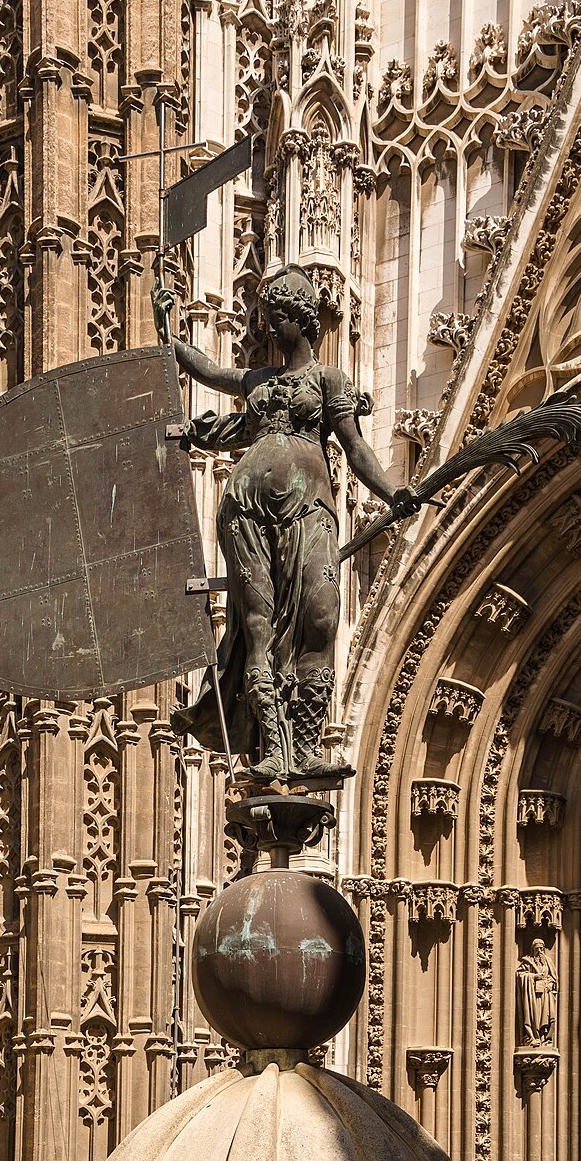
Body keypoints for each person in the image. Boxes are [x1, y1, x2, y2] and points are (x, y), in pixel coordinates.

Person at [152, 265, 420, 781]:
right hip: (247, 508)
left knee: (319, 618)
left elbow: (356, 447)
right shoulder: (256, 381)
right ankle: (275, 750)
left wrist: (392, 492)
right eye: (268, 318)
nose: (271, 330)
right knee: (255, 627)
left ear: (302, 319)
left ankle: (308, 746)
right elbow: (208, 370)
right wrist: (169, 333)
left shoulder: (327, 380)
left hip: (307, 509)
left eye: (278, 318)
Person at [516, 938, 558, 1046]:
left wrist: (550, 984)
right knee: (533, 1016)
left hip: (546, 994)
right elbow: (521, 975)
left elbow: (553, 978)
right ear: (533, 949)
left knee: (549, 1017)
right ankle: (532, 1036)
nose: (539, 951)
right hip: (532, 996)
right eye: (537, 949)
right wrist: (534, 976)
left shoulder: (548, 962)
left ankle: (546, 1038)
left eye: (541, 948)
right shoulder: (528, 961)